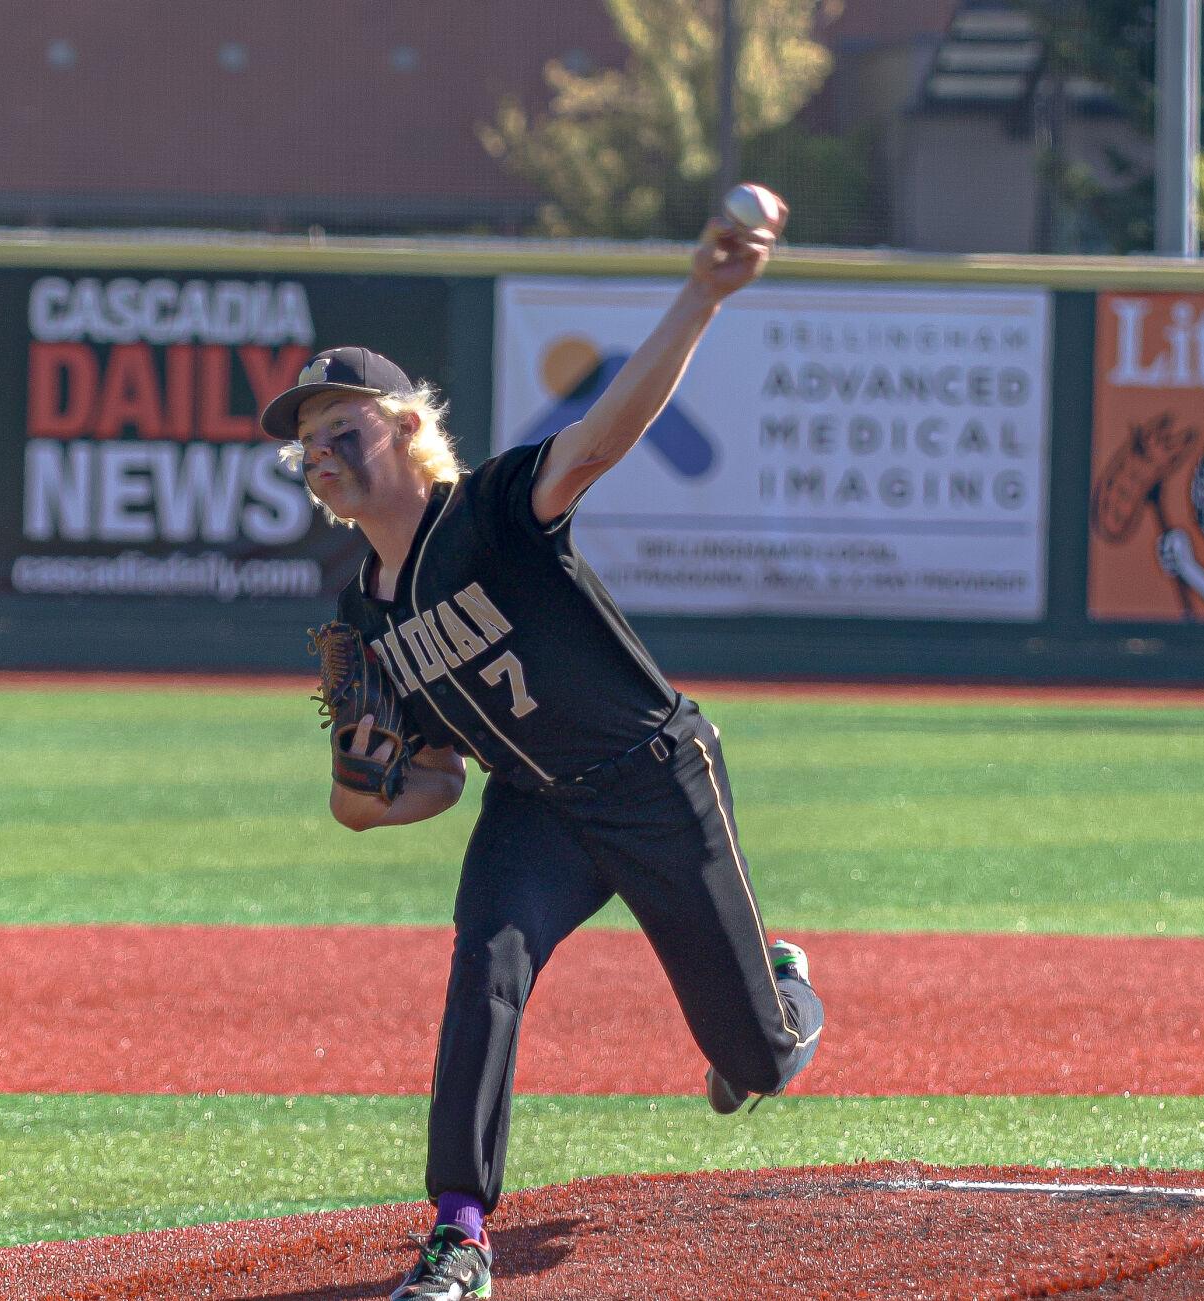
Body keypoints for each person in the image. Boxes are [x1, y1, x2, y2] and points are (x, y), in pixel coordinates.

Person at [261, 199, 824, 1301]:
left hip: (654, 777)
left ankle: (782, 988)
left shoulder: (494, 510)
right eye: (306, 442)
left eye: (345, 431)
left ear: (407, 430)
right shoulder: (364, 612)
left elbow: (608, 431)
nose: (321, 453)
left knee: (753, 1059)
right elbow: (428, 778)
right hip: (534, 807)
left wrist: (703, 293)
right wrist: (362, 798)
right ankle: (458, 1231)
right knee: (486, 961)